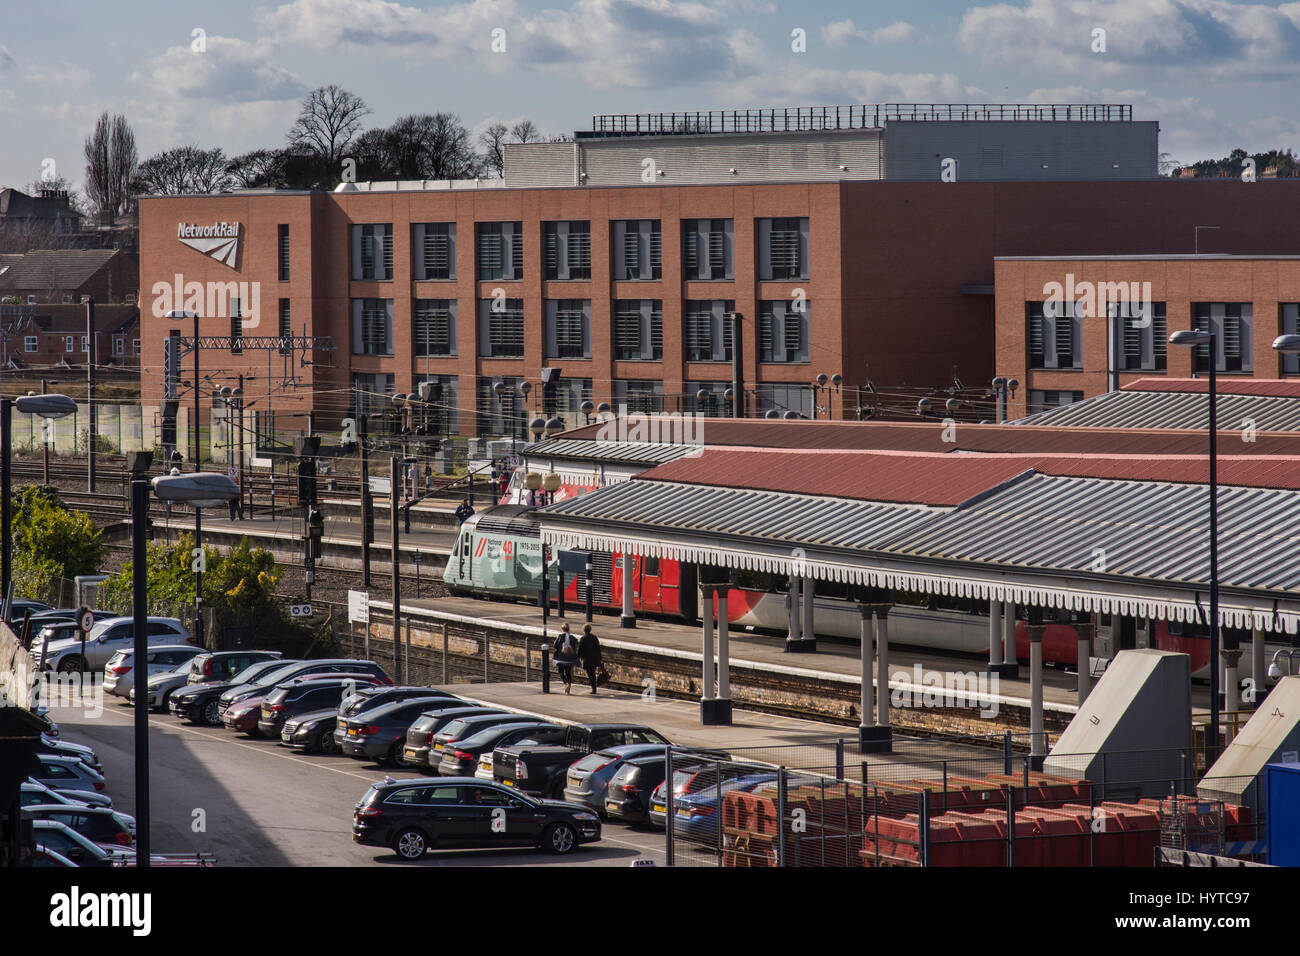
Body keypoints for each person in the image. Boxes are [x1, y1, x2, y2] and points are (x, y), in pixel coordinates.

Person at [553, 623, 578, 694]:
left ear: (562, 629)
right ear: (568, 629)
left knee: (560, 671)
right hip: (569, 658)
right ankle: (569, 685)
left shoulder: (560, 636)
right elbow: (576, 643)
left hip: (560, 658)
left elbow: (555, 645)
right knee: (568, 672)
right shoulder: (572, 637)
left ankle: (565, 683)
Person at [578, 623, 602, 695]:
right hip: (594, 659)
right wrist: (600, 659)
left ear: (584, 630)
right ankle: (594, 687)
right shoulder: (594, 637)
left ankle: (594, 688)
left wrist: (579, 657)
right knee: (592, 673)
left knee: (590, 674)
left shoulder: (583, 638)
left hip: (587, 659)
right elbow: (598, 649)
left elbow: (580, 650)